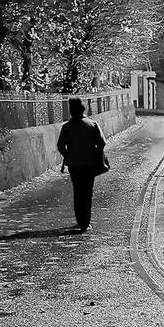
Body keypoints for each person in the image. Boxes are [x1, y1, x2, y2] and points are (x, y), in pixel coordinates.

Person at [56, 97, 106, 231]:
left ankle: (80, 220)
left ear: (71, 111)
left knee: (78, 191)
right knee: (87, 192)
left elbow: (61, 145)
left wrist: (68, 155)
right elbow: (102, 143)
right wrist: (94, 153)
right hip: (89, 164)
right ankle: (86, 222)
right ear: (83, 109)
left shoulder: (66, 127)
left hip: (74, 164)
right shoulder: (92, 124)